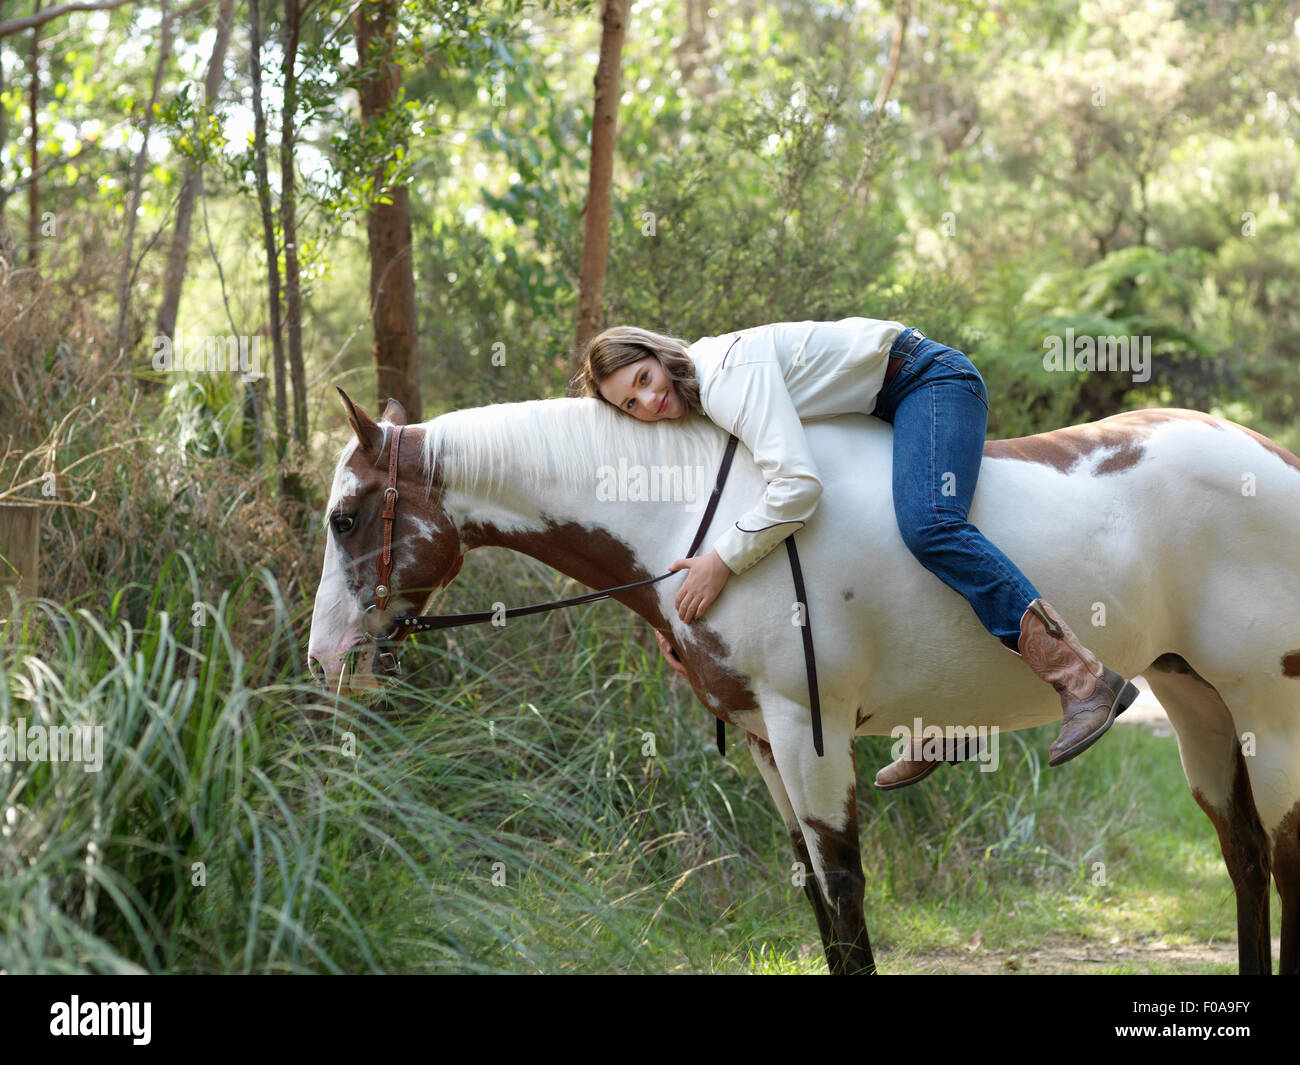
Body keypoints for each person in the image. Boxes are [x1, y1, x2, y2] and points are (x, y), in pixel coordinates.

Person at [575, 319, 1137, 788]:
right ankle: (948, 723)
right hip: (879, 406)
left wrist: (722, 564)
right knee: (874, 548)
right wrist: (671, 619)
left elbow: (796, 487)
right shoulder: (698, 405)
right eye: (631, 402)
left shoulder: (724, 378)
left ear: (658, 353)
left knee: (929, 526)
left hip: (926, 380)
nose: (649, 400)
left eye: (644, 378)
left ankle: (1084, 679)